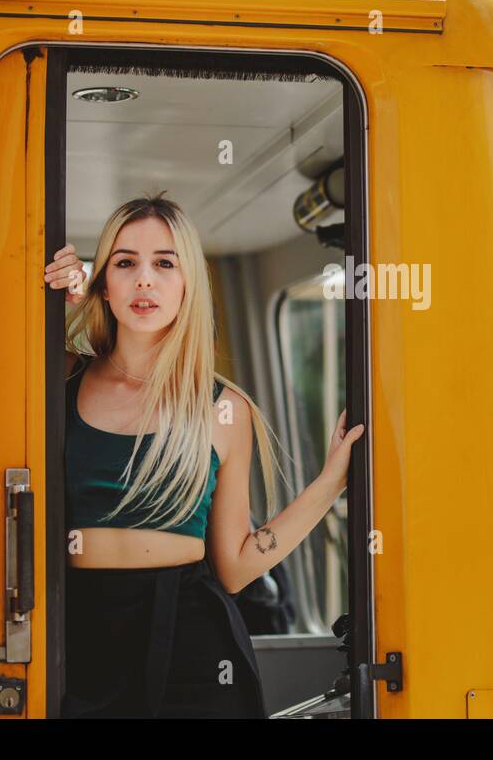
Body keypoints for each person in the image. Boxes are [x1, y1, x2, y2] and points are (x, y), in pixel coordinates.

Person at [44, 191, 364, 718]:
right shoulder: (60, 375)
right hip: (80, 633)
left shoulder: (224, 409)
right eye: (125, 263)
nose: (144, 279)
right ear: (102, 282)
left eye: (165, 263)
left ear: (189, 282)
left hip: (193, 644)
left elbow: (235, 568)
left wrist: (329, 483)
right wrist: (54, 297)